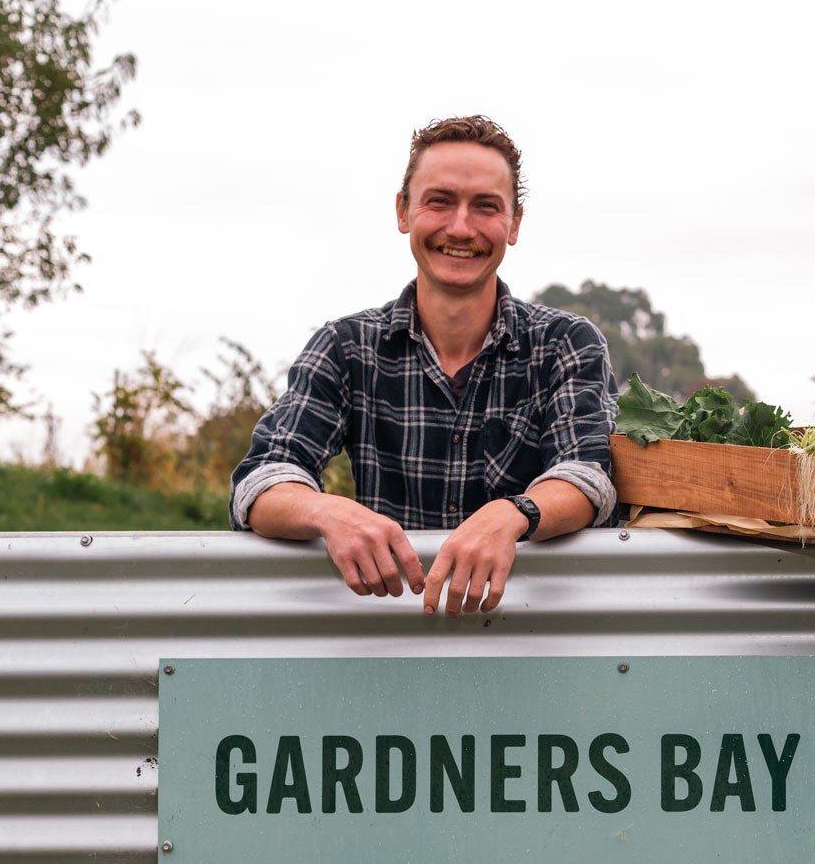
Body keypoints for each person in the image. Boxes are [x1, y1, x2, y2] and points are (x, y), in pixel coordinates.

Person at [231, 115, 617, 615]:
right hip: (388, 633)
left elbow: (589, 474)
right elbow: (261, 480)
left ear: (514, 223)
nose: (461, 227)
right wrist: (328, 512)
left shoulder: (567, 343)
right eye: (440, 201)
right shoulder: (346, 347)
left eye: (485, 207)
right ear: (403, 211)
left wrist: (513, 513)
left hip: (532, 633)